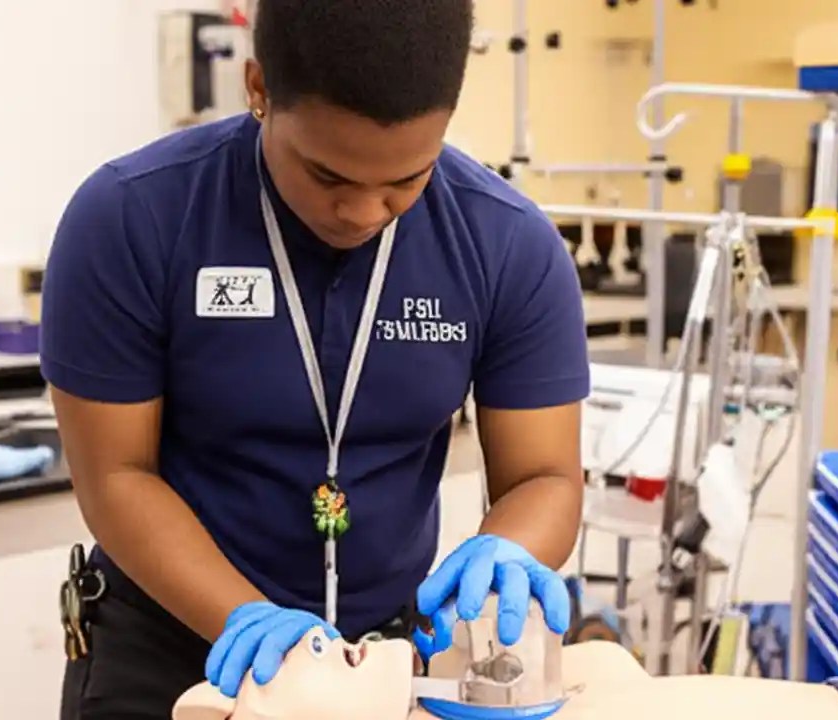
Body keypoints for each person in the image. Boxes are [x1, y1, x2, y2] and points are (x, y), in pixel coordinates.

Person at [41, 0, 590, 717]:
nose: (363, 213)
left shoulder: (507, 244)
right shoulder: (131, 218)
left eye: (405, 181)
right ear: (259, 88)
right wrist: (247, 619)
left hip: (380, 663)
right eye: (329, 178)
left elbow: (544, 475)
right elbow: (116, 475)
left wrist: (507, 554)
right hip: (171, 653)